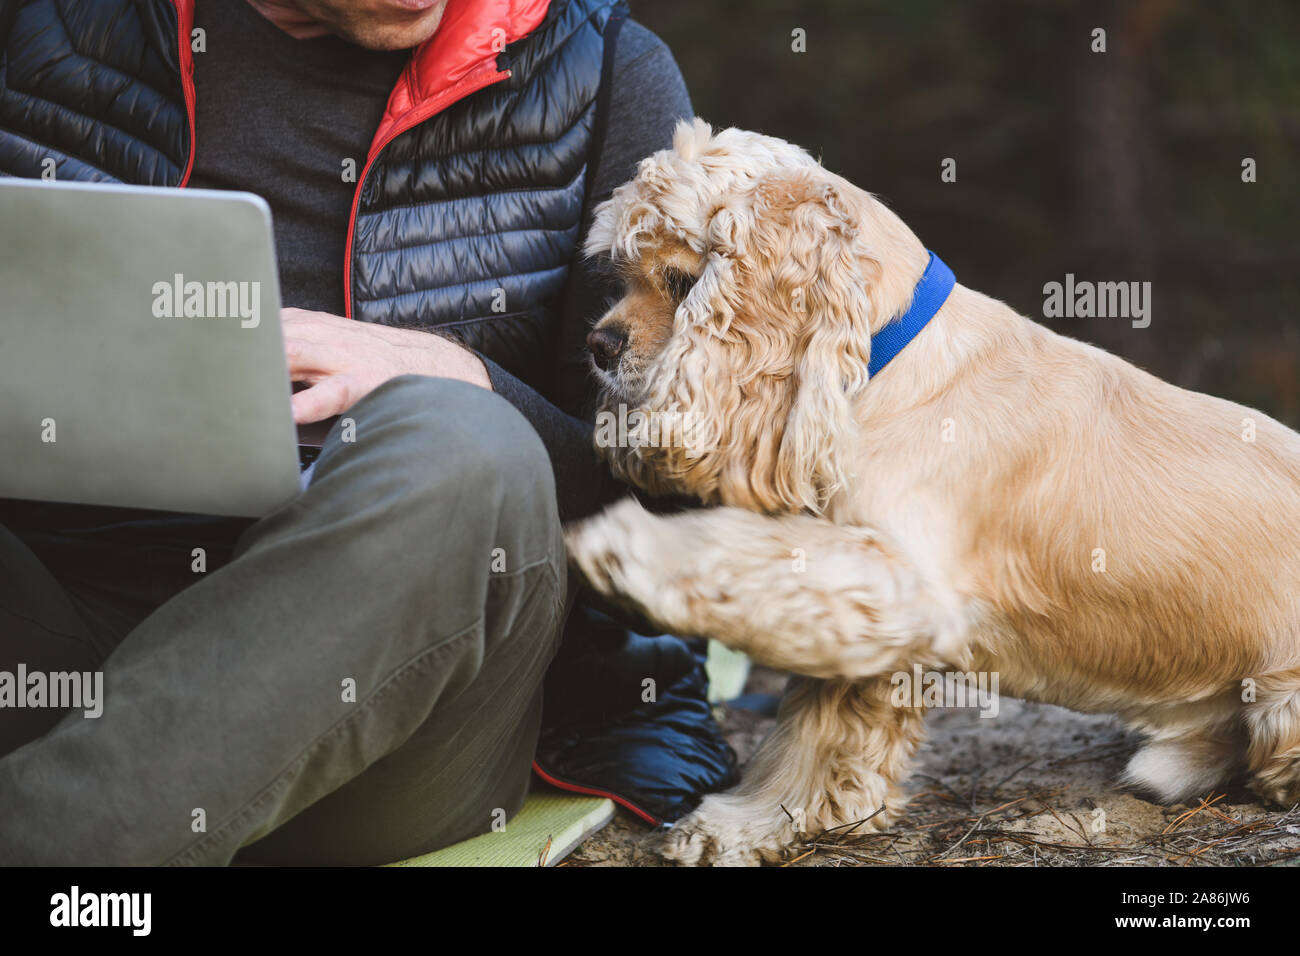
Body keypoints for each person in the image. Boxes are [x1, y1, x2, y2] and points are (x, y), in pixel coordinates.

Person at [0, 0, 733, 865]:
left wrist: (469, 378)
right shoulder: (50, 27)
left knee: (460, 445)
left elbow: (677, 513)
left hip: (397, 730)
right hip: (66, 644)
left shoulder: (607, 75)